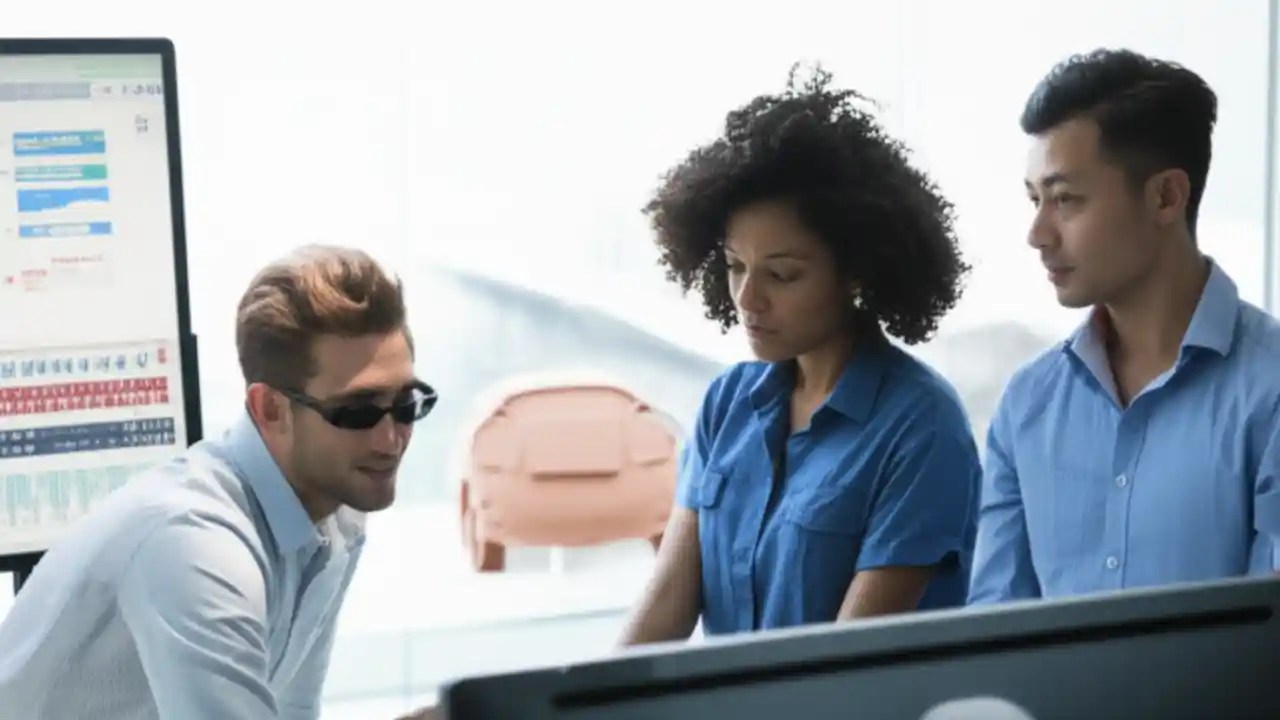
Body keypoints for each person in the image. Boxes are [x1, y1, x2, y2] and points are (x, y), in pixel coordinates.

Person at [618, 65, 982, 644]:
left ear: (855, 273)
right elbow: (666, 604)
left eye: (782, 274)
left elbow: (847, 664)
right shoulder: (727, 404)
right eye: (735, 266)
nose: (747, 298)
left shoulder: (921, 427)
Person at [0, 245, 437, 718]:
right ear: (270, 409)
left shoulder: (339, 511)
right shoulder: (193, 545)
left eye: (406, 403)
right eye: (357, 411)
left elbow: (293, 708)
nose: (390, 440)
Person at [968, 49, 1280, 605]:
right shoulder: (1026, 406)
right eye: (1035, 199)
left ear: (1166, 197)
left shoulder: (1269, 388)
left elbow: (1267, 638)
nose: (1037, 234)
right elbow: (993, 632)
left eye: (1065, 199)